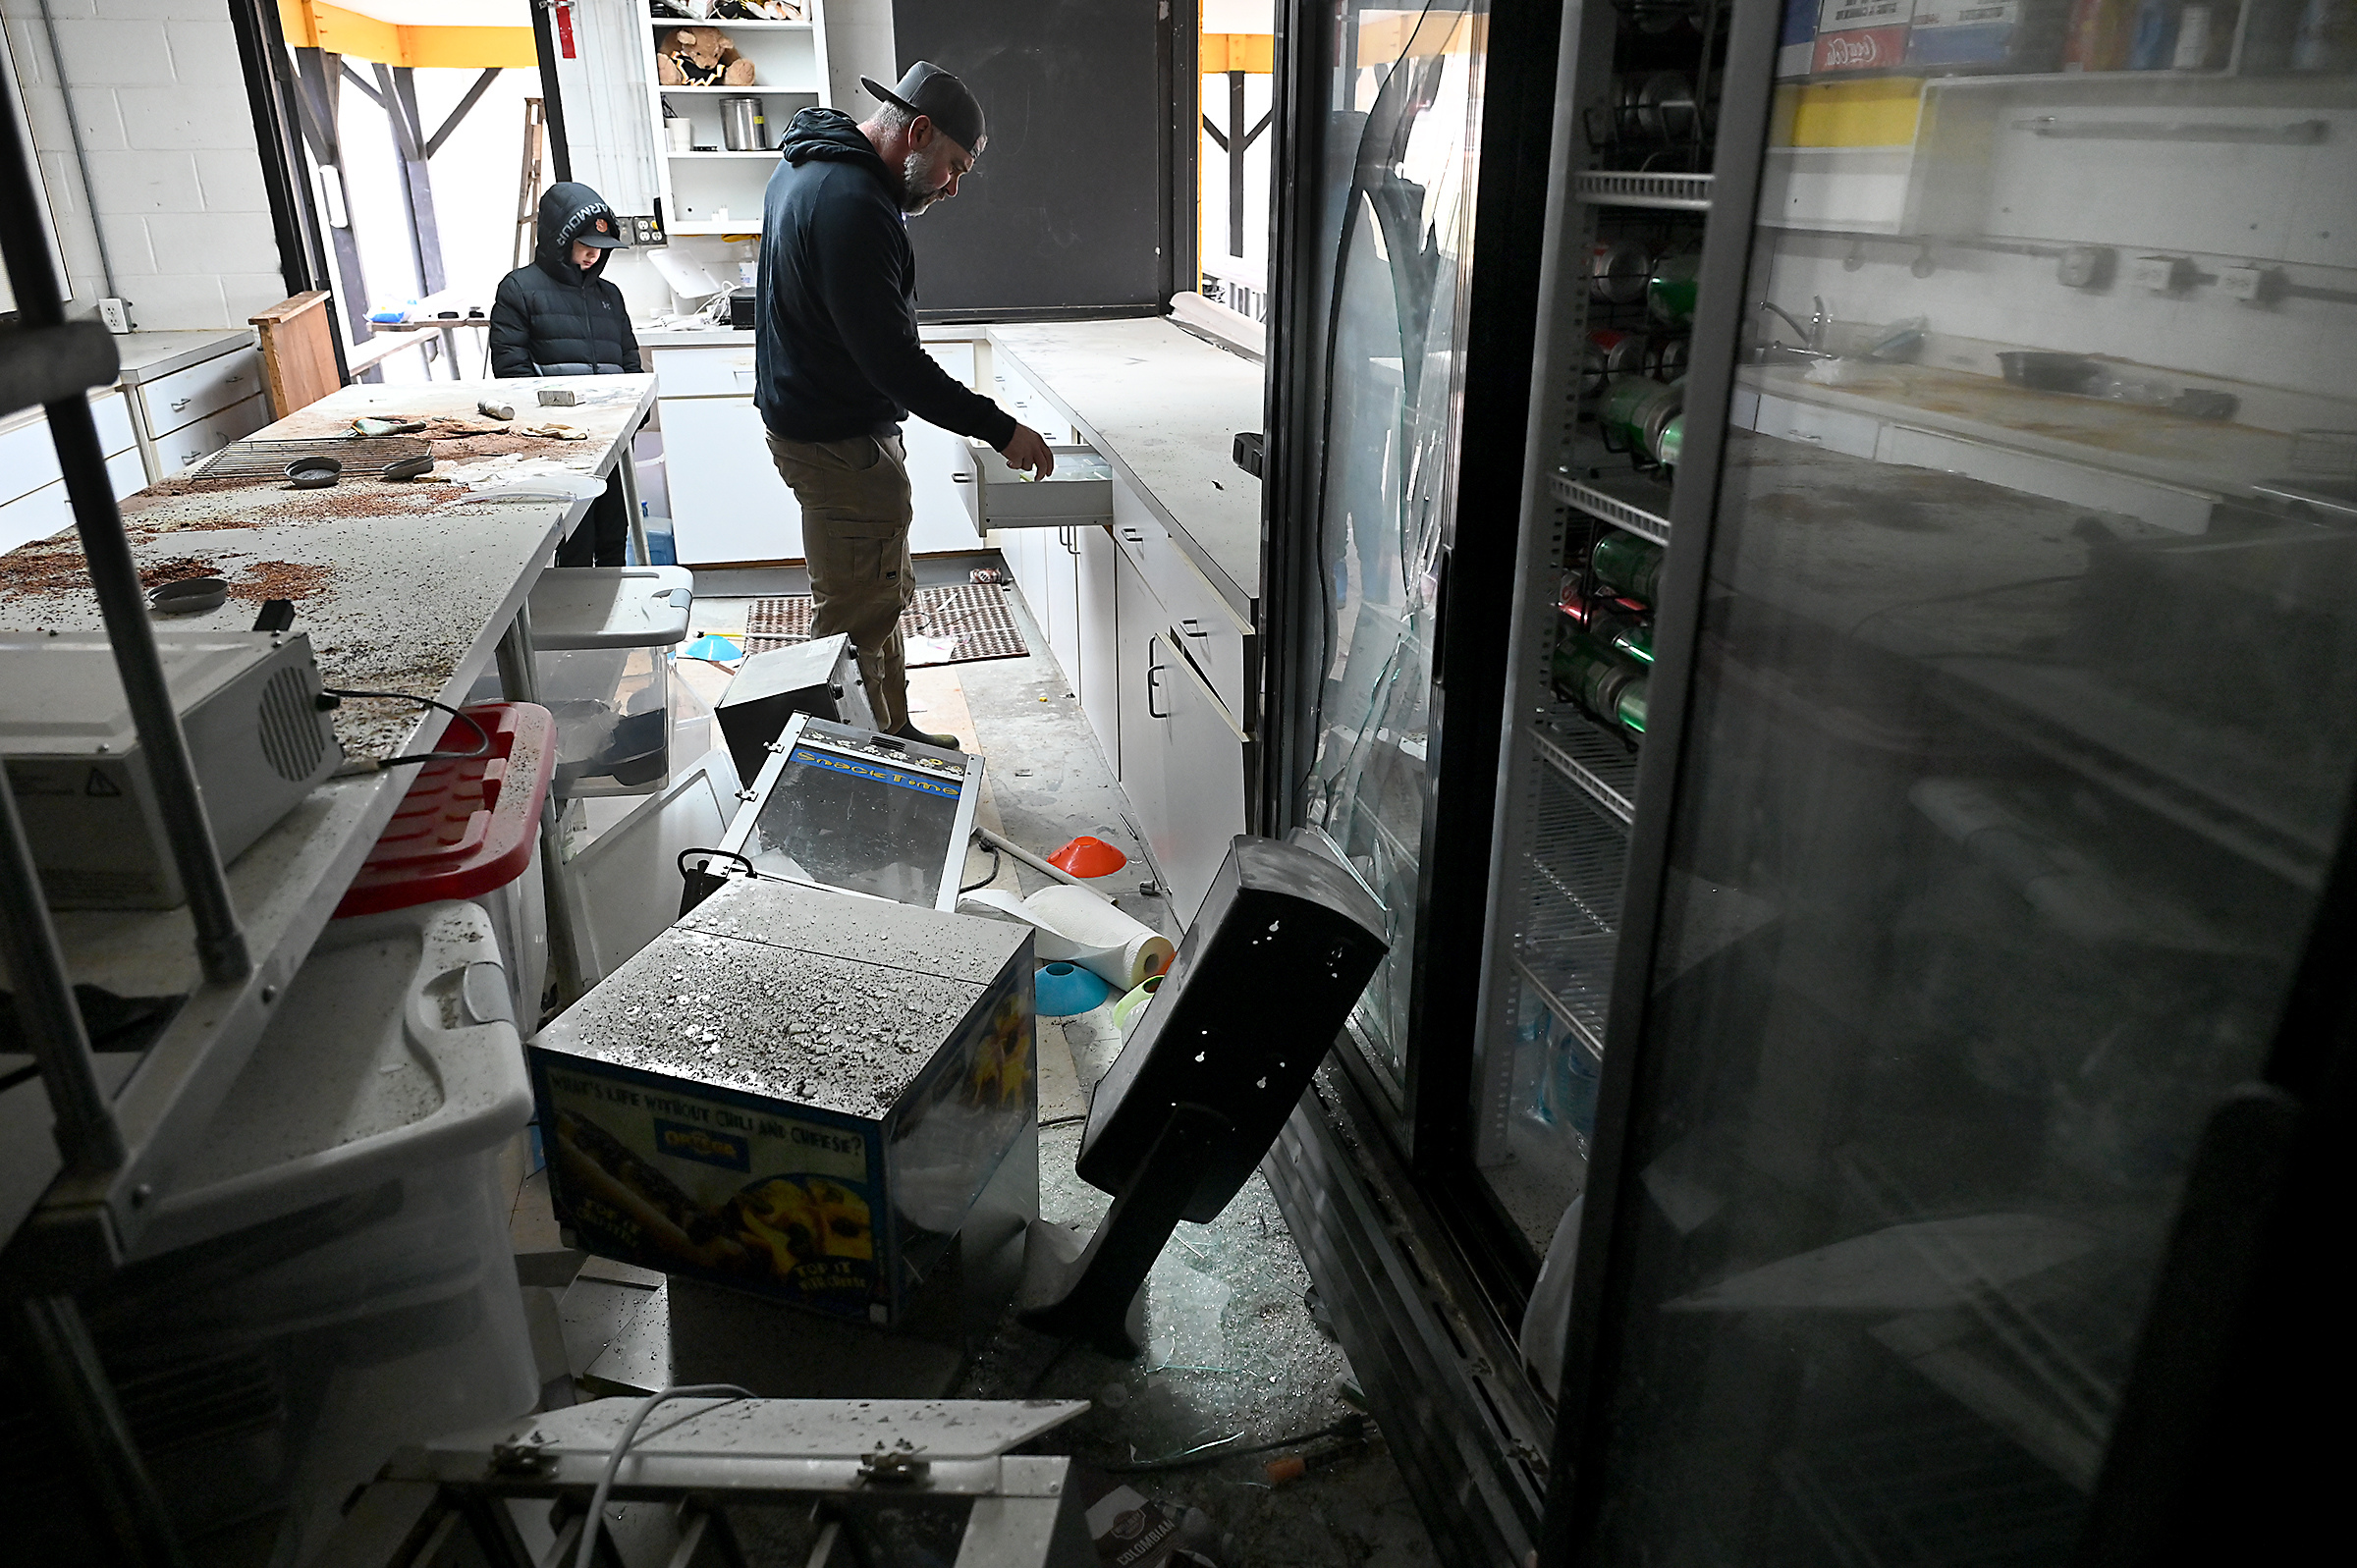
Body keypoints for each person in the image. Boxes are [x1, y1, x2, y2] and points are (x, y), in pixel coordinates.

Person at [755, 61, 1055, 749]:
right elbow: (893, 364)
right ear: (916, 131)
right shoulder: (853, 203)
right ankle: (851, 767)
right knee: (855, 612)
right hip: (837, 438)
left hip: (815, 425)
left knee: (874, 593)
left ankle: (890, 733)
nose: (951, 187)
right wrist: (999, 427)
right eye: (953, 166)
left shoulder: (810, 166)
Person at [490, 182, 642, 567]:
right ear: (560, 238)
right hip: (559, 442)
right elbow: (512, 369)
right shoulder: (519, 289)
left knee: (613, 533)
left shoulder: (609, 295)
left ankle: (614, 621)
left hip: (611, 437)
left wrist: (635, 417)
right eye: (584, 243)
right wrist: (549, 425)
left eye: (601, 247)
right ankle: (577, 621)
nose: (594, 253)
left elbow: (629, 358)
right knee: (574, 537)